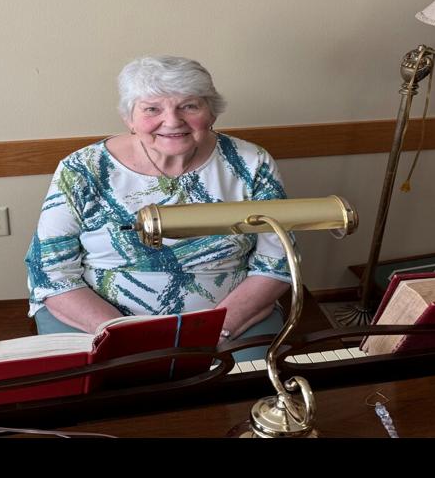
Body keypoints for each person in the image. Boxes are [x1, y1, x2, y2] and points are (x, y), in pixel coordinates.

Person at [25, 55, 293, 361]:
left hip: (233, 321)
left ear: (212, 112)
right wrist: (123, 336)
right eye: (152, 109)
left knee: (249, 396)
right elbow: (53, 272)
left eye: (189, 106)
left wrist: (215, 330)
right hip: (96, 322)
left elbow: (275, 264)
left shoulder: (251, 163)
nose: (173, 121)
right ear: (129, 118)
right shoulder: (82, 169)